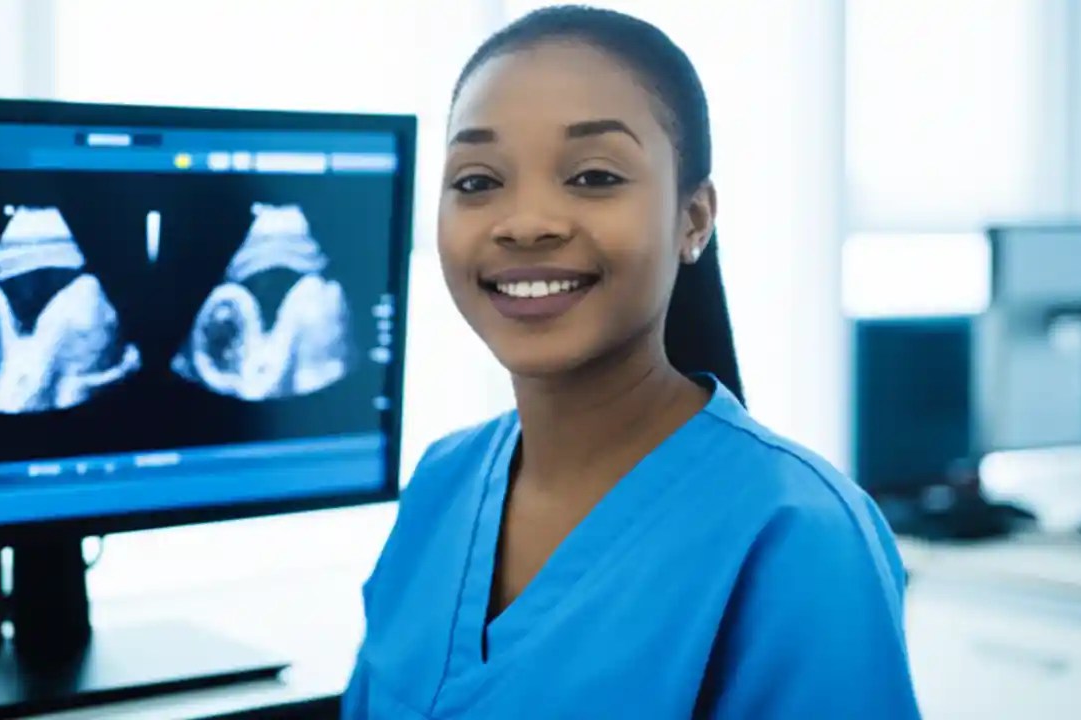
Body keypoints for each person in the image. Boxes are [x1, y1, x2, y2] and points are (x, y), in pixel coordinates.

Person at [344, 6, 921, 718]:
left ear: (694, 219)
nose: (525, 222)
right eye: (476, 181)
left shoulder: (802, 536)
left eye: (592, 176)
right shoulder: (441, 482)